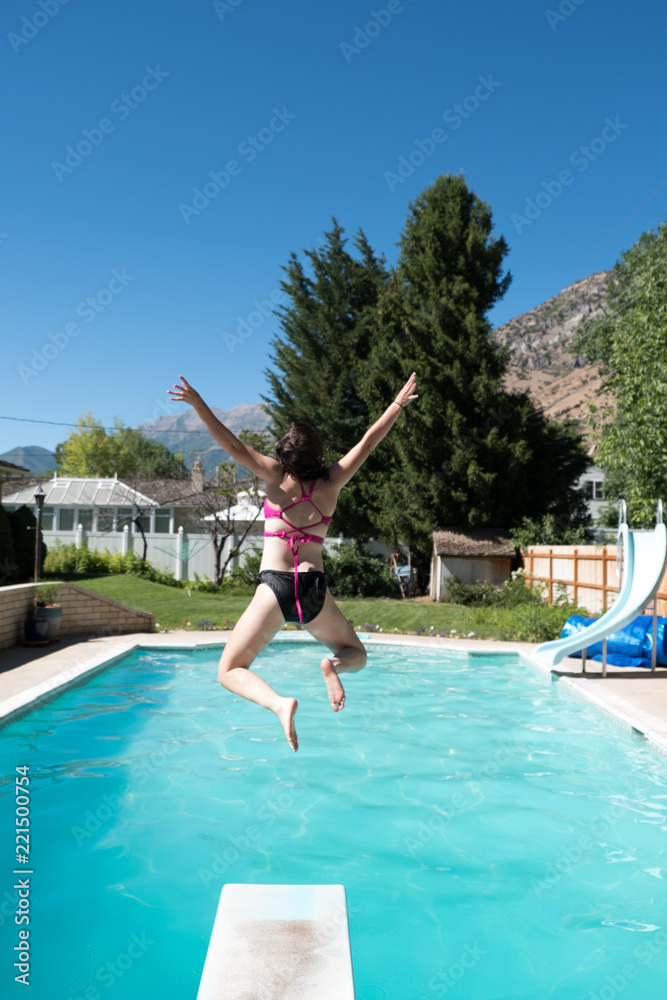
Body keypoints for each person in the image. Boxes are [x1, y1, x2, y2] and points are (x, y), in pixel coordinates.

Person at [167, 372, 418, 751]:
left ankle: (279, 703)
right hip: (314, 587)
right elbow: (368, 442)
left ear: (286, 454)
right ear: (317, 454)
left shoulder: (273, 475)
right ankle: (331, 667)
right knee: (357, 655)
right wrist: (397, 405)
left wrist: (199, 403)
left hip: (275, 587)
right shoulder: (332, 481)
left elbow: (233, 446)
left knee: (230, 670)